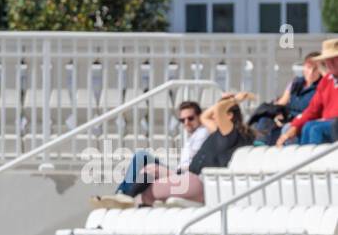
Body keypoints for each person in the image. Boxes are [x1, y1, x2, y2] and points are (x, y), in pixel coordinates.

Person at [124, 93, 253, 207]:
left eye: (217, 114)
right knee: (149, 171)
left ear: (229, 116)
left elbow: (216, 111)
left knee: (146, 192)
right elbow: (204, 117)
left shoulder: (229, 132)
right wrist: (226, 100)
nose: (213, 116)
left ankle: (123, 201)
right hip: (190, 178)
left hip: (197, 182)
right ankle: (122, 199)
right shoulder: (221, 132)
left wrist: (234, 99)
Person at [99, 100, 207, 206]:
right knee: (144, 161)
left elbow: (195, 164)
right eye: (182, 120)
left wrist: (175, 171)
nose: (186, 123)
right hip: (180, 171)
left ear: (200, 116)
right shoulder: (193, 135)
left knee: (144, 159)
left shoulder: (203, 133)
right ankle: (123, 195)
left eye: (190, 118)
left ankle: (123, 194)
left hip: (185, 175)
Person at [249, 51, 321, 144]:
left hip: (301, 121)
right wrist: (277, 115)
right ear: (303, 67)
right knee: (263, 119)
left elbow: (314, 111)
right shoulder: (296, 83)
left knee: (286, 129)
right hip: (288, 118)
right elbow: (281, 104)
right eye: (309, 67)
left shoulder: (321, 86)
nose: (311, 72)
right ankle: (259, 146)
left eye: (315, 69)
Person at [276, 39, 338, 146]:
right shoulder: (327, 80)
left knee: (315, 129)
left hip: (333, 123)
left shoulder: (326, 80)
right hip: (329, 123)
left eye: (334, 59)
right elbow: (312, 109)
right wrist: (295, 126)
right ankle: (304, 158)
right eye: (327, 59)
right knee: (305, 127)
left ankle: (314, 161)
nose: (330, 62)